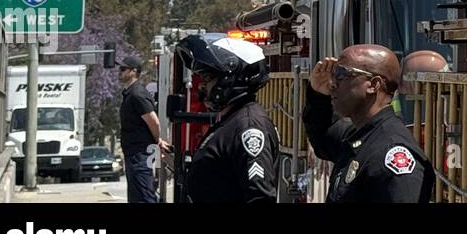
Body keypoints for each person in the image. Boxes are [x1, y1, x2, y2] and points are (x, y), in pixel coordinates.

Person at [302, 45, 434, 203]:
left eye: (341, 74)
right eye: (333, 74)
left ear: (374, 84)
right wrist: (318, 95)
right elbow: (322, 136)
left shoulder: (391, 154)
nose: (332, 84)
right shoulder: (359, 136)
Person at [175, 34, 278, 203]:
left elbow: (260, 197)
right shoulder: (230, 121)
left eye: (208, 78)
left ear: (230, 77)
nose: (201, 85)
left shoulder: (249, 127)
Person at [117, 55, 167, 203]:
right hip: (133, 154)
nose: (119, 72)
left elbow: (154, 121)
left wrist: (158, 141)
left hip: (141, 154)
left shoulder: (137, 94)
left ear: (134, 71)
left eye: (123, 69)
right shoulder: (130, 93)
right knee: (136, 197)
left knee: (144, 196)